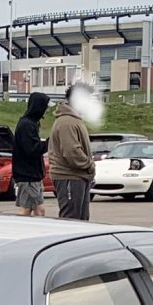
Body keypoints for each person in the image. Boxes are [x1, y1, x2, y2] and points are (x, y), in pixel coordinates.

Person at [48, 86, 94, 220]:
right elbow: (72, 152)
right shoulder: (67, 122)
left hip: (78, 176)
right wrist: (89, 165)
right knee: (71, 220)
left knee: (81, 220)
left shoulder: (74, 120)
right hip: (69, 176)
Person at [12, 92, 50, 217]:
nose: (46, 111)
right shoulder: (26, 125)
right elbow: (31, 149)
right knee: (30, 209)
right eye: (45, 107)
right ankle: (26, 232)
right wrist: (48, 143)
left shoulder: (30, 123)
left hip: (32, 176)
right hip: (27, 176)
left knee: (32, 209)